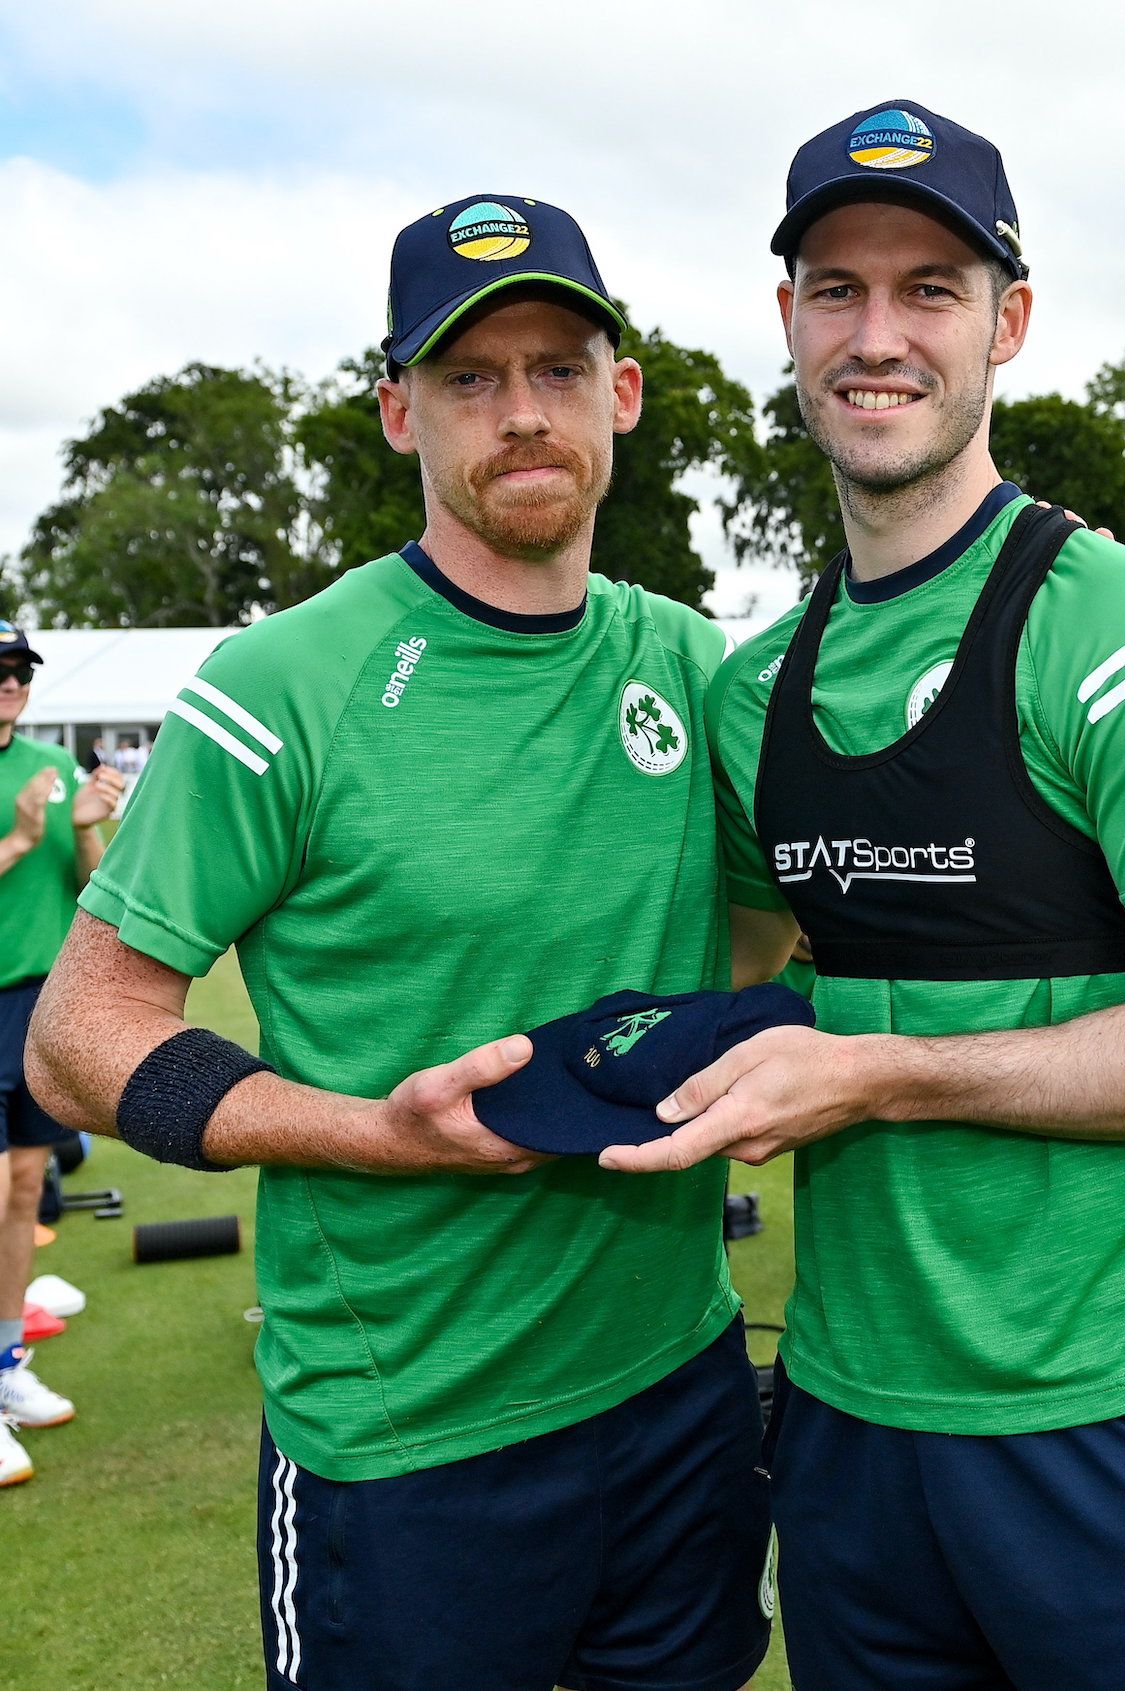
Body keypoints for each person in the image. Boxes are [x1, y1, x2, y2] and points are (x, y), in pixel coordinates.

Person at [604, 102, 1125, 1688]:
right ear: (788, 320)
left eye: (930, 287)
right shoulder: (751, 696)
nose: (880, 336)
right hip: (853, 1426)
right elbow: (722, 992)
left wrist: (879, 1073)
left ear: (1007, 321)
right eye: (837, 289)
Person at [25, 198, 771, 1689]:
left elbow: (758, 940)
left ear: (621, 394)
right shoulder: (286, 679)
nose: (521, 413)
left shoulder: (699, 662)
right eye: (470, 379)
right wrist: (374, 1129)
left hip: (679, 1388)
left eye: (558, 368)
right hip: (406, 1437)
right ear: (396, 410)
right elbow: (76, 1037)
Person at [0, 621, 123, 1487]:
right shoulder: (23, 792)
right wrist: (15, 838)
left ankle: (7, 1369)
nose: (10, 683)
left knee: (22, 1190)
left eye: (19, 671)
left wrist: (82, 828)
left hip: (39, 1005)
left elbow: (89, 886)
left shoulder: (49, 760)